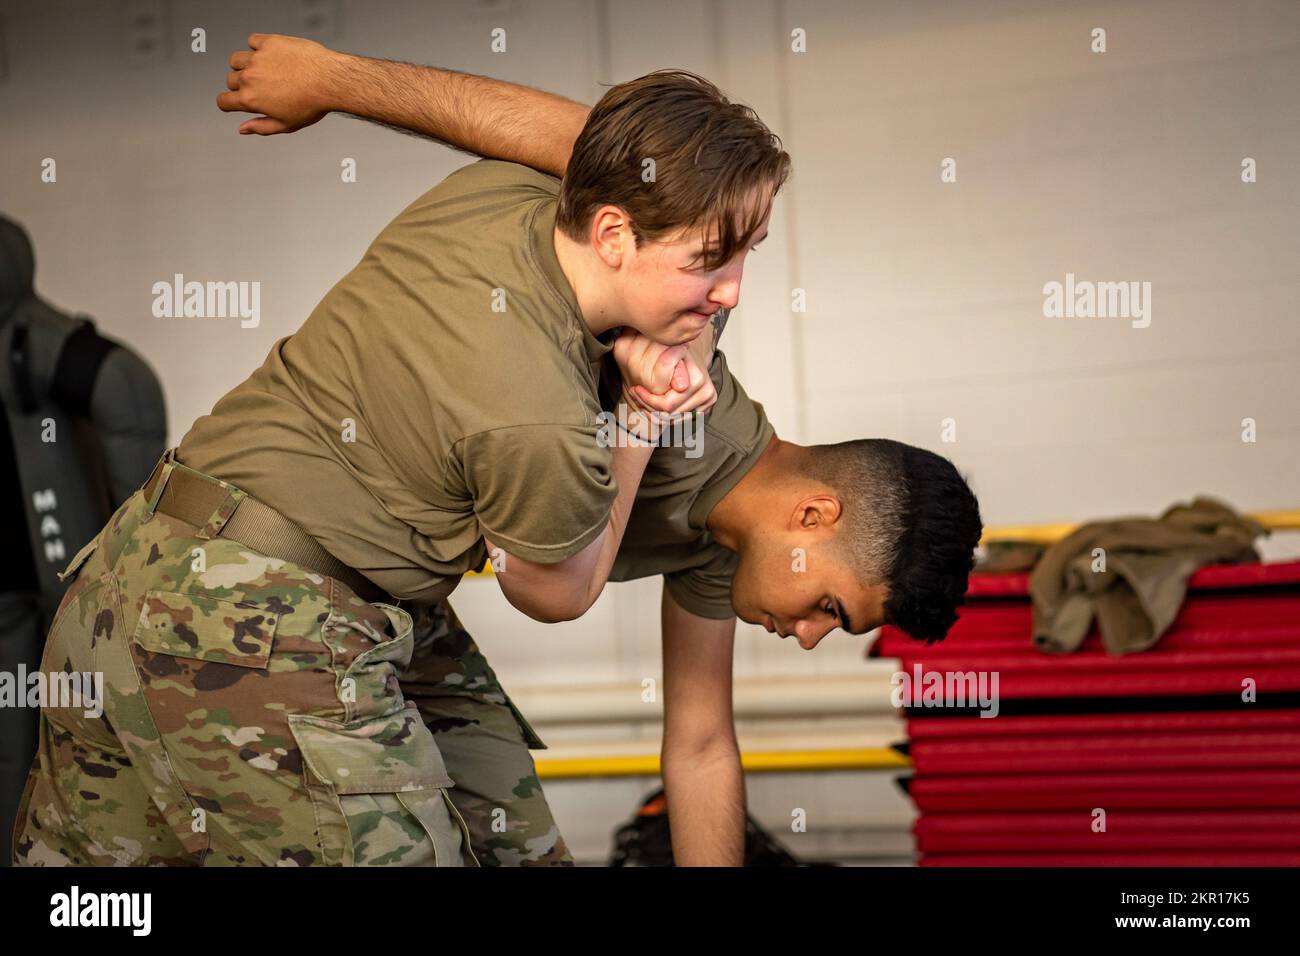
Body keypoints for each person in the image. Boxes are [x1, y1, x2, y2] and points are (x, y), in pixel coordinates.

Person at [200, 35, 984, 867]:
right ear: (814, 514)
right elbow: (553, 593)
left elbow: (702, 744)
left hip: (386, 594)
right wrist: (330, 77)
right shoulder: (606, 365)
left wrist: (333, 80)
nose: (811, 635)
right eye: (831, 607)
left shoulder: (712, 466)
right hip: (250, 573)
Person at [11, 42, 790, 866]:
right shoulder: (536, 416)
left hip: (157, 565)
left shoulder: (521, 191)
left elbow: (564, 132)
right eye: (710, 263)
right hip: (248, 618)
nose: (733, 289)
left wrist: (333, 80)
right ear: (613, 235)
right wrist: (638, 418)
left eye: (750, 251)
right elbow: (559, 593)